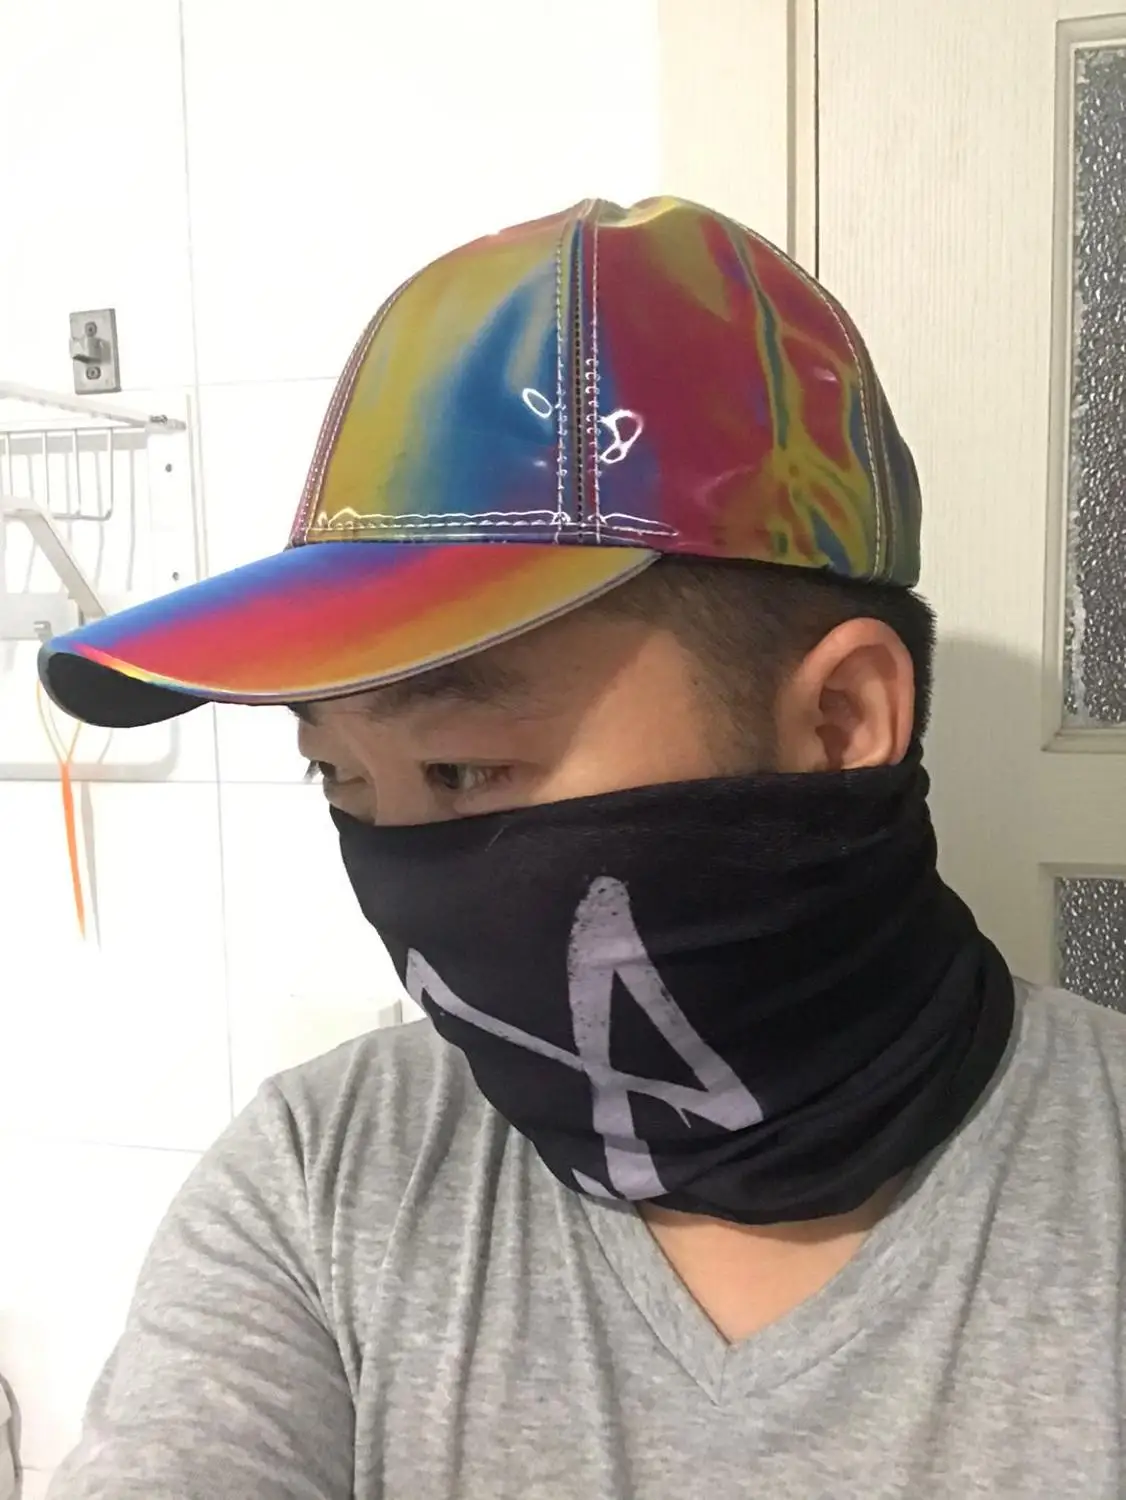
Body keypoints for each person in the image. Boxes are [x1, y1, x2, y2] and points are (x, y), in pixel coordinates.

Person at [39, 198, 1124, 1500]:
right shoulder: (322, 1176)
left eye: (461, 768)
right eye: (340, 777)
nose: (398, 860)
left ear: (840, 721)